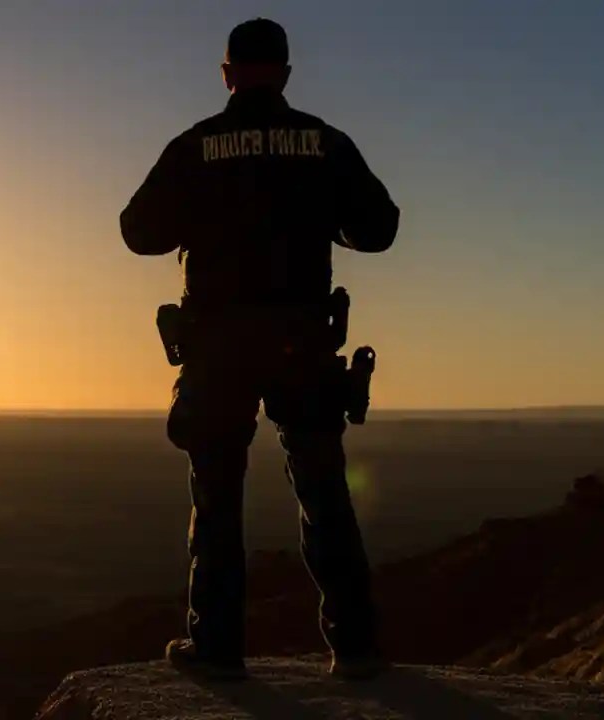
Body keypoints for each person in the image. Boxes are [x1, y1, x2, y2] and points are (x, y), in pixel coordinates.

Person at [119, 18, 400, 681]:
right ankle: (355, 648)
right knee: (323, 487)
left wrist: (205, 216)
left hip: (218, 344)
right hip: (301, 339)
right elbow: (380, 228)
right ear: (286, 73)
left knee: (217, 494)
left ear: (226, 74)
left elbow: (138, 230)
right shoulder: (324, 144)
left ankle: (216, 647)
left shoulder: (198, 146)